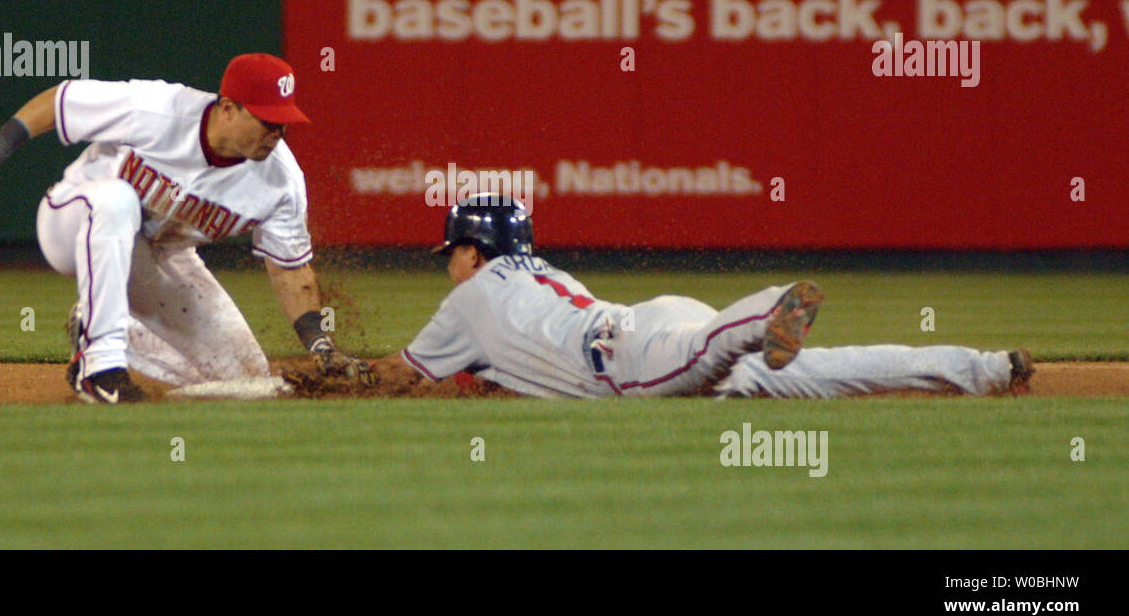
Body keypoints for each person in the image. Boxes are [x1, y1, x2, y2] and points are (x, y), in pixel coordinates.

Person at [0, 53, 372, 403]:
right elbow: (62, 102)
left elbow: (290, 269)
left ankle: (102, 326)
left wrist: (321, 346)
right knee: (118, 200)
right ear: (228, 108)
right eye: (267, 121)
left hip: (156, 255)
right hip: (73, 221)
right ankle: (100, 370)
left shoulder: (281, 180)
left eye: (284, 123)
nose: (277, 133)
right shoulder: (157, 108)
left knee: (245, 375)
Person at [369, 195, 1035, 399]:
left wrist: (325, 379)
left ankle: (774, 304)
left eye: (450, 252)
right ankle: (988, 366)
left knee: (716, 348)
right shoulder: (544, 274)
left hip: (634, 358)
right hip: (647, 320)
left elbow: (397, 377)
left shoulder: (468, 299)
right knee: (837, 367)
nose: (447, 265)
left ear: (473, 251)